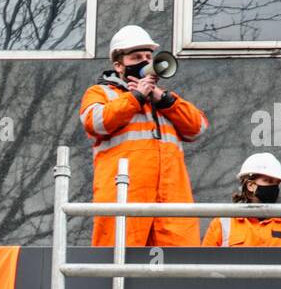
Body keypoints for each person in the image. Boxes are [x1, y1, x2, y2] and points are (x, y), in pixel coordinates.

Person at [79, 25, 210, 247]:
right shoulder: (101, 93)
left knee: (179, 262)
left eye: (148, 57)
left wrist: (163, 99)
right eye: (136, 57)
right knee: (117, 261)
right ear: (118, 65)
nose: (145, 62)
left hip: (171, 201)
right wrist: (136, 97)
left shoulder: (163, 99)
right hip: (124, 199)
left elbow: (197, 127)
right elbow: (96, 122)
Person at [202, 152, 281, 247]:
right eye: (269, 181)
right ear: (251, 186)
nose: (274, 187)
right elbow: (205, 260)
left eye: (277, 183)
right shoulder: (223, 223)